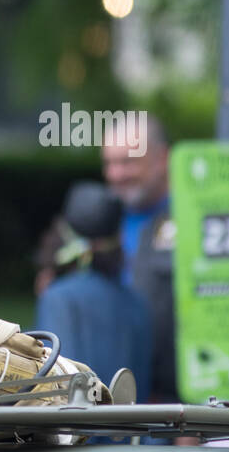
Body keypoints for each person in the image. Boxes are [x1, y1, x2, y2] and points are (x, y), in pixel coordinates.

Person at [35, 182, 152, 399]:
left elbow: (59, 387)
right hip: (132, 431)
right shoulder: (137, 302)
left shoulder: (58, 299)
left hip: (80, 430)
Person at [102, 114, 178, 402]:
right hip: (109, 395)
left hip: (170, 404)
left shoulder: (191, 220)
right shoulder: (99, 220)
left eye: (128, 161)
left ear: (161, 159)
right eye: (109, 163)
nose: (116, 174)